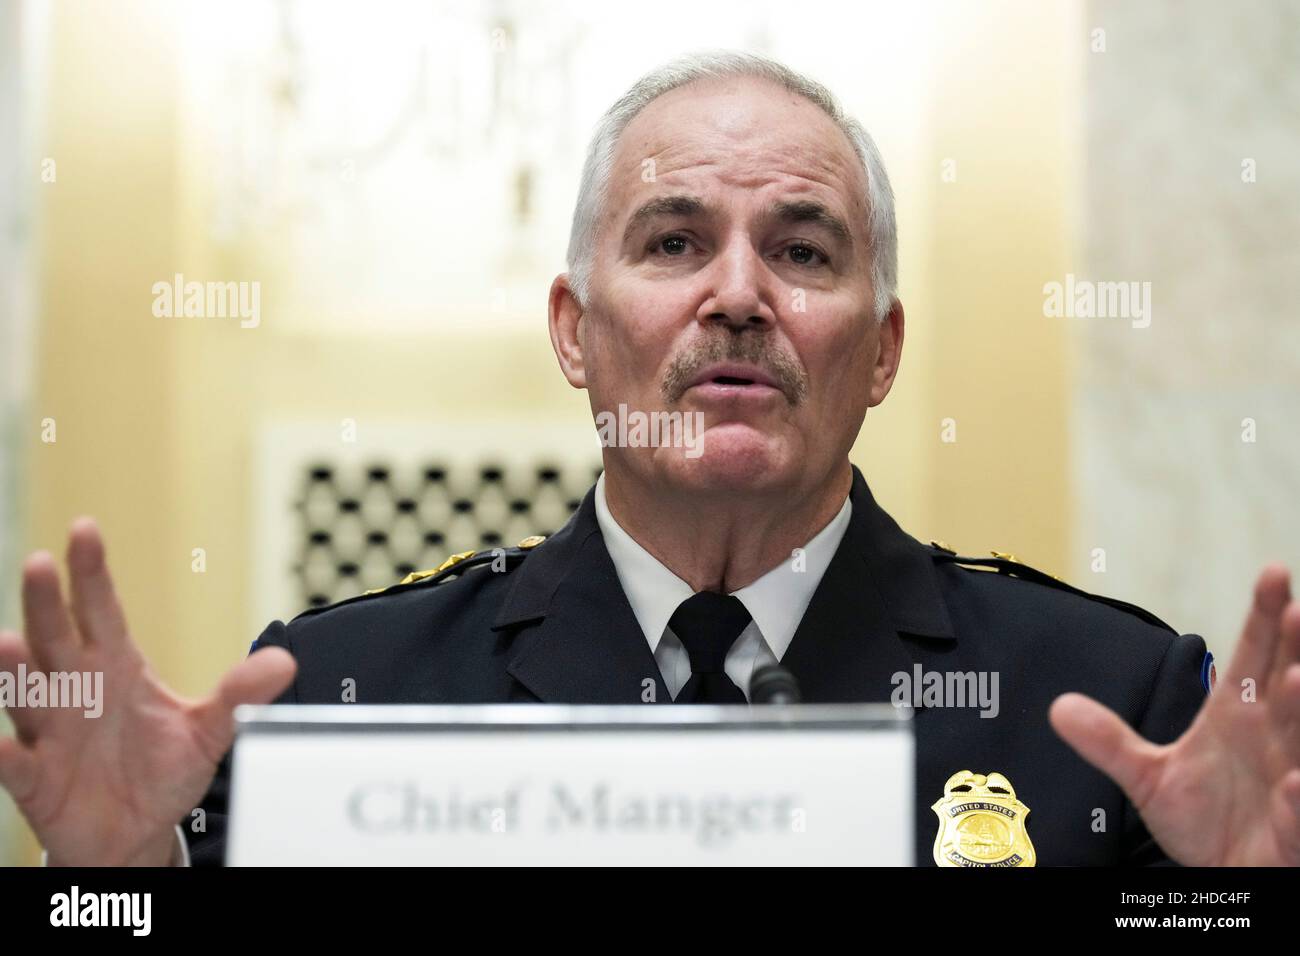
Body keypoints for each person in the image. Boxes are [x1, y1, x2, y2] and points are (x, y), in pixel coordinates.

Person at [2, 51, 1298, 867]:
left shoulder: (1114, 707)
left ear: (884, 348)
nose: (738, 295)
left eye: (803, 250)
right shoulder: (338, 697)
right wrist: (114, 894)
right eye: (674, 242)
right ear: (576, 331)